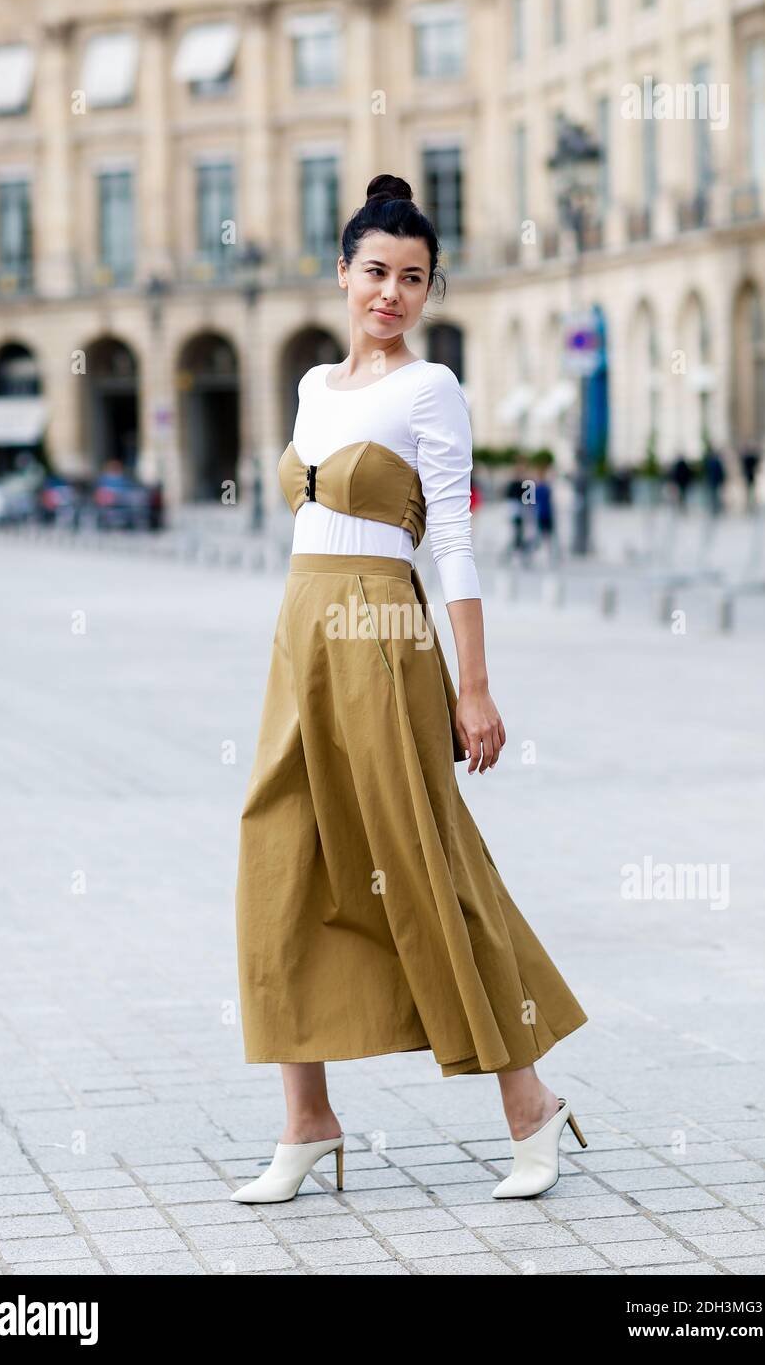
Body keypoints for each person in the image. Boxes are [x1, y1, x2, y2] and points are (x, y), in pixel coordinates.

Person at [233, 174, 588, 1205]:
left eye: (413, 278)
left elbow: (456, 545)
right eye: (375, 271)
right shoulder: (310, 388)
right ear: (342, 272)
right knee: (277, 862)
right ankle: (306, 1120)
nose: (390, 292)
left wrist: (472, 687)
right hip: (300, 640)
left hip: (386, 638)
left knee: (420, 866)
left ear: (429, 290)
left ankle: (529, 1106)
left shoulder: (431, 389)